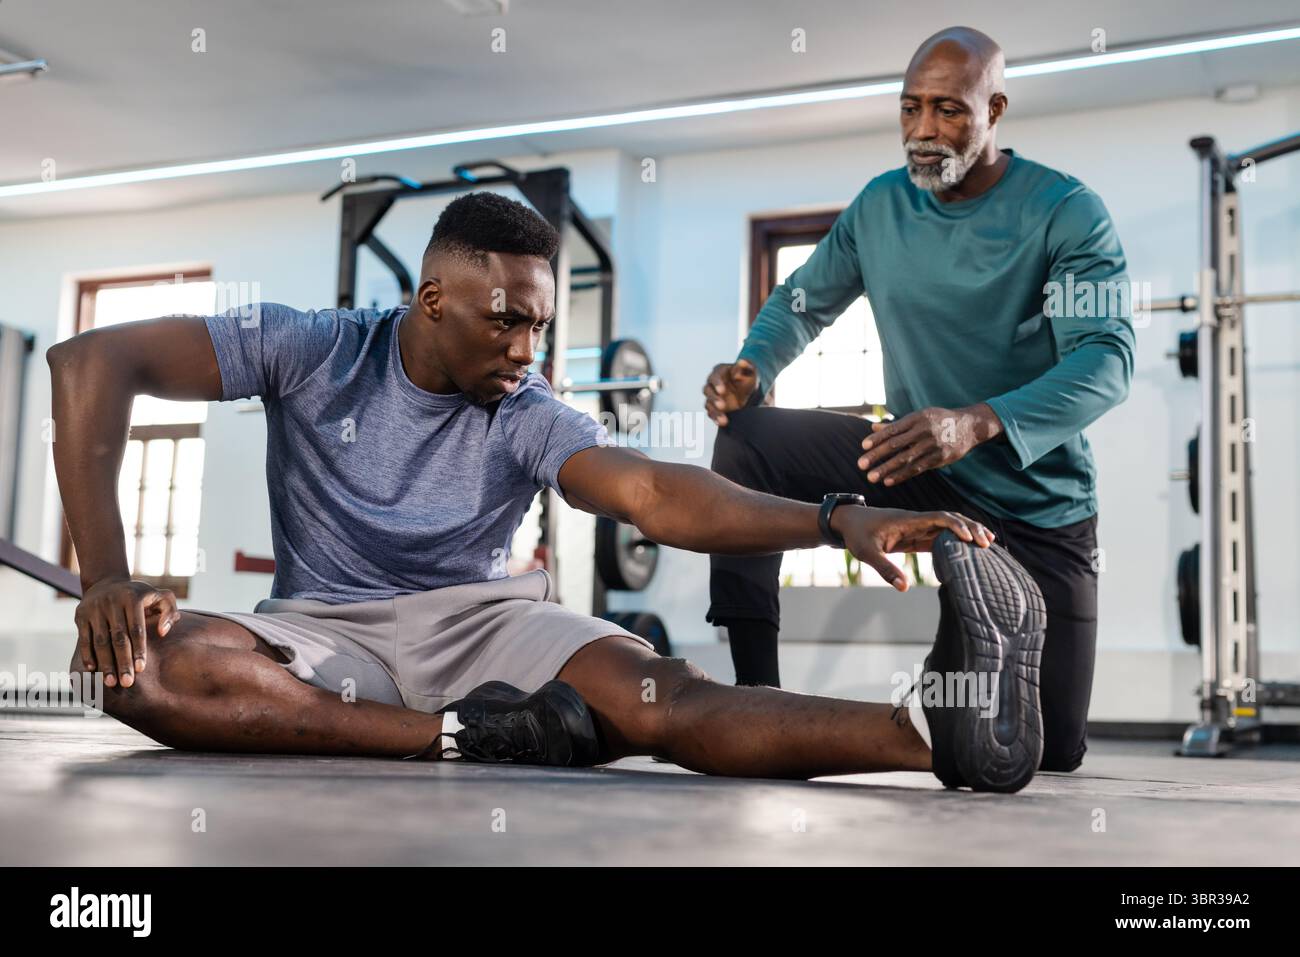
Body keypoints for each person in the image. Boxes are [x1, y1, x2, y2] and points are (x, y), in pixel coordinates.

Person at [50, 190, 1043, 792]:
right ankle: (460, 738)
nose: (527, 350)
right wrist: (107, 575)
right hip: (324, 629)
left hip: (485, 623)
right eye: (506, 322)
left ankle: (925, 735)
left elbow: (654, 492)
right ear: (432, 302)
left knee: (664, 698)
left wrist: (835, 519)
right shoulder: (310, 347)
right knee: (141, 668)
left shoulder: (526, 408)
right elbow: (91, 360)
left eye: (539, 325)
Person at [702, 26, 1134, 774]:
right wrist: (751, 366)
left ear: (994, 109)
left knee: (1047, 749)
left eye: (949, 110)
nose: (924, 131)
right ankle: (755, 694)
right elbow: (803, 302)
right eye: (910, 110)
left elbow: (1106, 360)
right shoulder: (880, 208)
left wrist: (976, 420)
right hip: (919, 467)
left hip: (1038, 507)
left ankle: (963, 656)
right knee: (749, 439)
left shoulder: (1066, 210)